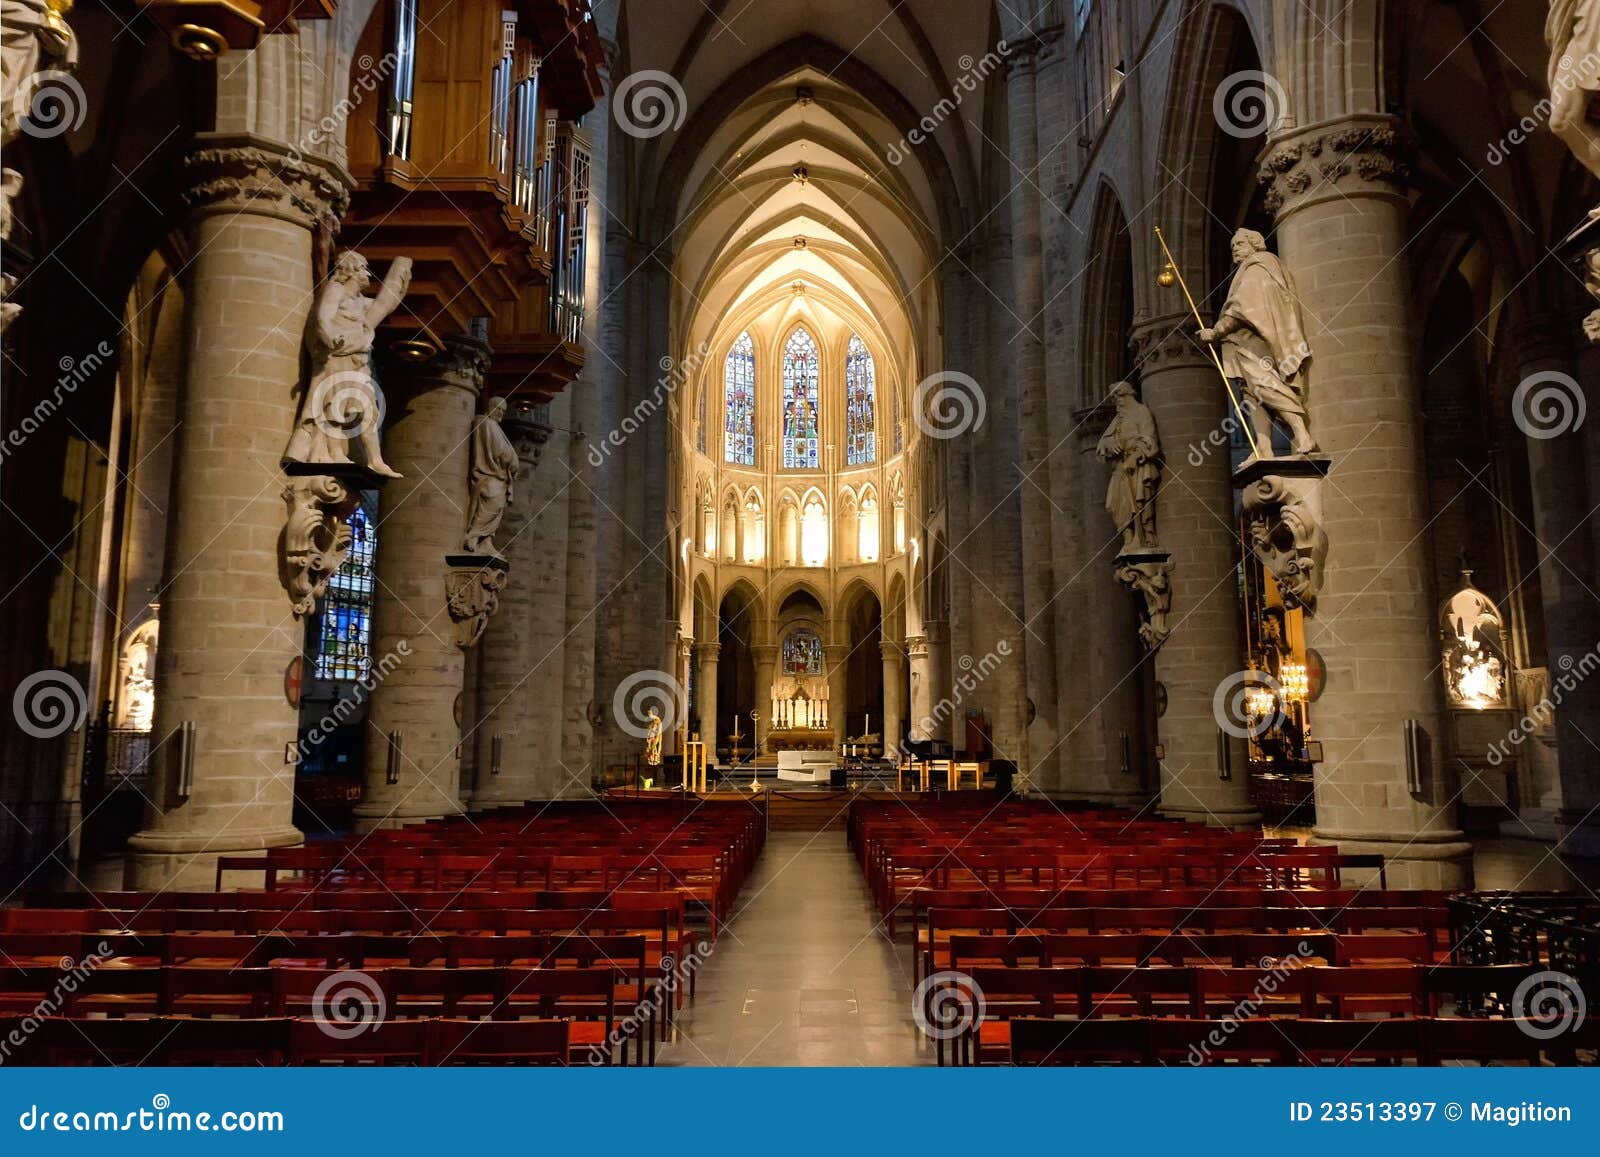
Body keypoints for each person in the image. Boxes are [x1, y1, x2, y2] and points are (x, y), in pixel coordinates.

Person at [283, 251, 412, 478]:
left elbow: (385, 303)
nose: (366, 273)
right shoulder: (336, 290)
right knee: (335, 408)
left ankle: (375, 461)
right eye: (363, 268)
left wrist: (401, 271)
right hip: (338, 358)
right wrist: (331, 338)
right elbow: (322, 317)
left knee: (367, 412)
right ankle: (334, 453)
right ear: (350, 270)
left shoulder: (360, 303)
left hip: (357, 361)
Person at [1199, 229, 1317, 457]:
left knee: (1266, 386)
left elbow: (1243, 308)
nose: (1235, 249)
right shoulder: (1252, 269)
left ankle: (1302, 434)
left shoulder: (1257, 267)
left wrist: (1215, 332)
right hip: (1243, 343)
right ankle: (1263, 448)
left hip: (1256, 343)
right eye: (1233, 245)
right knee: (1251, 395)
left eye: (1240, 244)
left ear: (1255, 245)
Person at [1096, 381, 1161, 553]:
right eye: (1114, 398)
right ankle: (1129, 538)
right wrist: (1110, 445)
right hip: (1121, 466)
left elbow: (1150, 440)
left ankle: (1143, 536)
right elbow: (1103, 441)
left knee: (1139, 502)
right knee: (1114, 503)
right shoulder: (1119, 418)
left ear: (1127, 395)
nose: (1116, 402)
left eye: (1118, 397)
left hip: (1138, 467)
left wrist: (1135, 456)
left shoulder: (1141, 412)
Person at [463, 397, 519, 555]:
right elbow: (499, 451)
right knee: (490, 507)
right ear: (491, 407)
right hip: (489, 475)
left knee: (497, 509)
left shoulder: (495, 426)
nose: (501, 413)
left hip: (499, 477)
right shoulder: (487, 423)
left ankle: (486, 541)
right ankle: (473, 536)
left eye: (503, 411)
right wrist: (512, 460)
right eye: (499, 409)